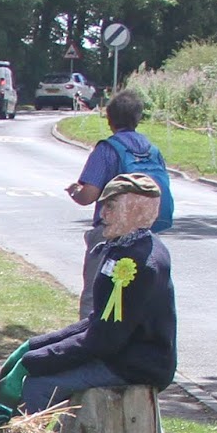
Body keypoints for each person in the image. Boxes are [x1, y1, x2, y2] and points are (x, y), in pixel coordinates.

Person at [2, 173, 175, 413]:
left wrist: (37, 360)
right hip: (120, 354)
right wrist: (34, 345)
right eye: (102, 206)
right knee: (32, 362)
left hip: (134, 365)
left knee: (38, 386)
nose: (103, 214)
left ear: (136, 210)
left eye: (111, 206)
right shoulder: (127, 248)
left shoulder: (137, 262)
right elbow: (99, 320)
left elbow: (104, 340)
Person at [66, 89, 169, 319]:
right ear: (137, 118)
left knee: (95, 293)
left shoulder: (107, 149)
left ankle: (88, 343)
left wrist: (75, 191)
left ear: (110, 119)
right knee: (141, 293)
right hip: (146, 234)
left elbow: (89, 195)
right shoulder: (153, 151)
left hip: (109, 234)